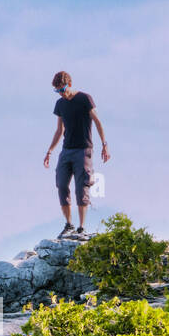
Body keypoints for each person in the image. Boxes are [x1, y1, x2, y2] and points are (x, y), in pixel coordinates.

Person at [42, 70, 109, 238]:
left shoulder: (85, 98)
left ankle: (81, 227)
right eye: (57, 91)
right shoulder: (60, 104)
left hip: (83, 150)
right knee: (62, 185)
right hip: (66, 150)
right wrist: (50, 151)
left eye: (62, 89)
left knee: (81, 188)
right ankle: (69, 224)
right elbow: (59, 130)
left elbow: (97, 121)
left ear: (69, 84)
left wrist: (104, 145)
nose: (61, 93)